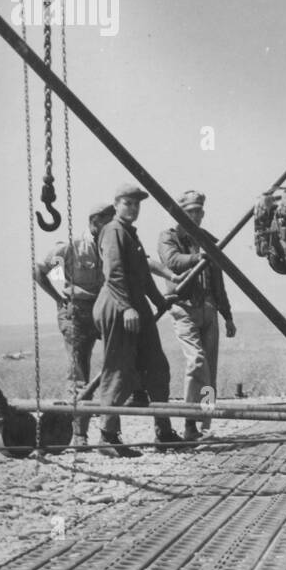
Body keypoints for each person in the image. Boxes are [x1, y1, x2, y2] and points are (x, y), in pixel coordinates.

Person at [92, 183, 182, 457]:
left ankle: (163, 432)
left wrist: (159, 301)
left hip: (135, 305)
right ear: (116, 204)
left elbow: (142, 275)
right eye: (128, 203)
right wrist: (126, 308)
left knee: (157, 368)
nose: (133, 208)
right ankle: (107, 437)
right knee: (119, 369)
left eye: (137, 204)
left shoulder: (130, 234)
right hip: (120, 306)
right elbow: (114, 273)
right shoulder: (113, 231)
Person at [32, 202, 116, 447]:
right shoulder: (72, 246)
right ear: (94, 221)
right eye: (107, 221)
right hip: (77, 312)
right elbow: (41, 270)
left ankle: (108, 430)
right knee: (78, 374)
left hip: (103, 309)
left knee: (116, 365)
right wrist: (60, 297)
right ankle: (79, 434)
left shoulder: (111, 245)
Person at [158, 190, 236, 442]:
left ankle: (205, 423)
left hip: (209, 310)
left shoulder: (208, 240)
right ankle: (190, 421)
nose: (195, 216)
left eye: (198, 211)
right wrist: (197, 257)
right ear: (181, 213)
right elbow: (171, 261)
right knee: (197, 363)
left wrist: (227, 315)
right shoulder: (169, 237)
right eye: (190, 212)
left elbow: (218, 282)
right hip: (184, 308)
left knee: (209, 371)